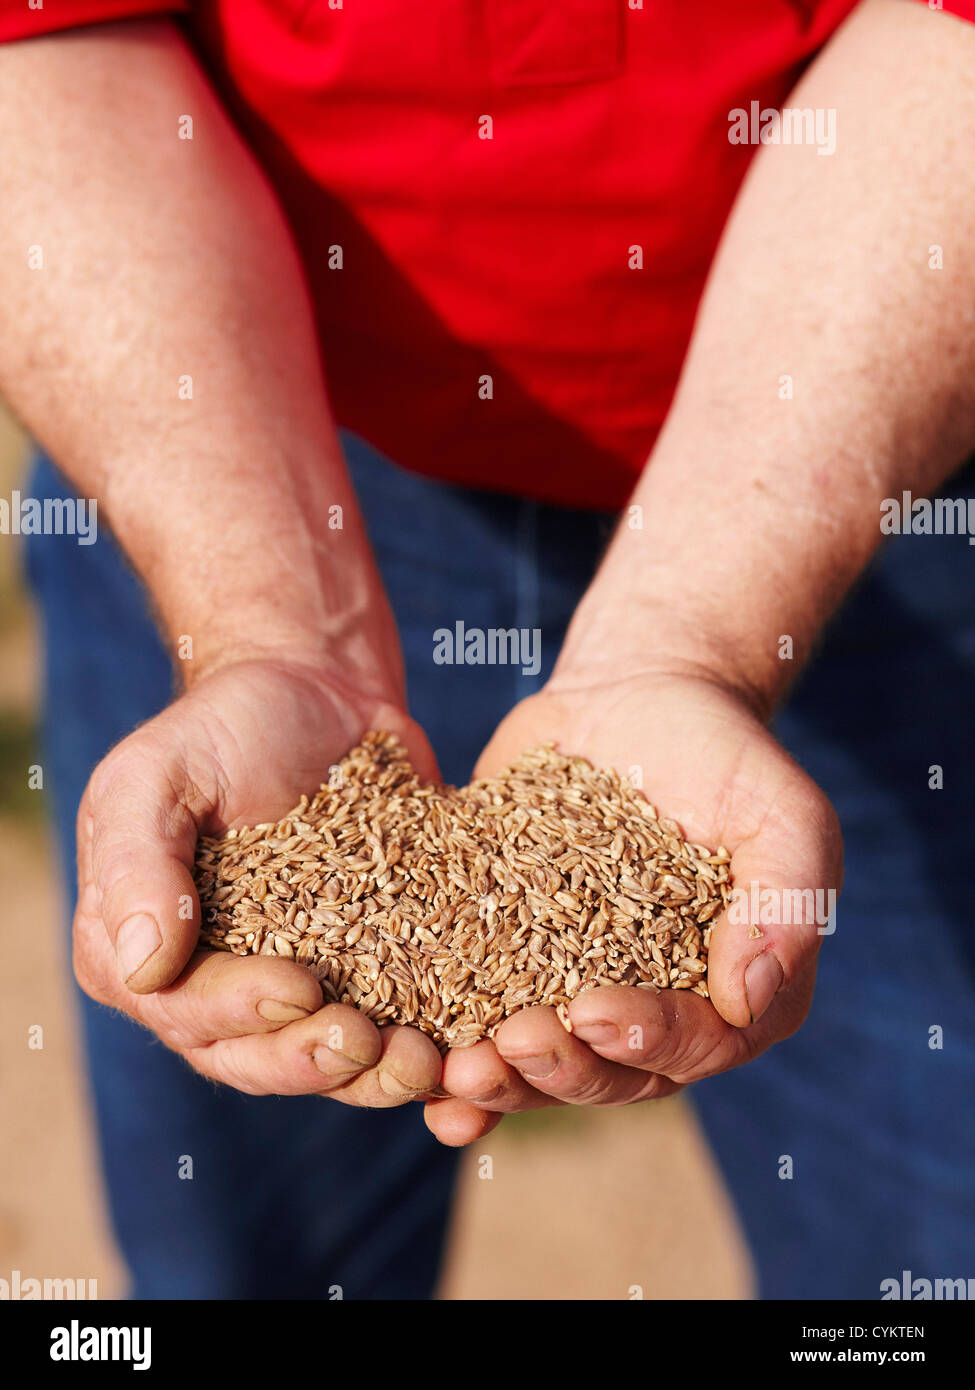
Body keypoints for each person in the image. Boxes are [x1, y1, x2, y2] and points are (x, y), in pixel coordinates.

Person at [2, 0, 973, 1300]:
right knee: (237, 1254)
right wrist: (259, 626)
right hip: (234, 433)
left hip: (869, 441)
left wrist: (695, 632)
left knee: (919, 1264)